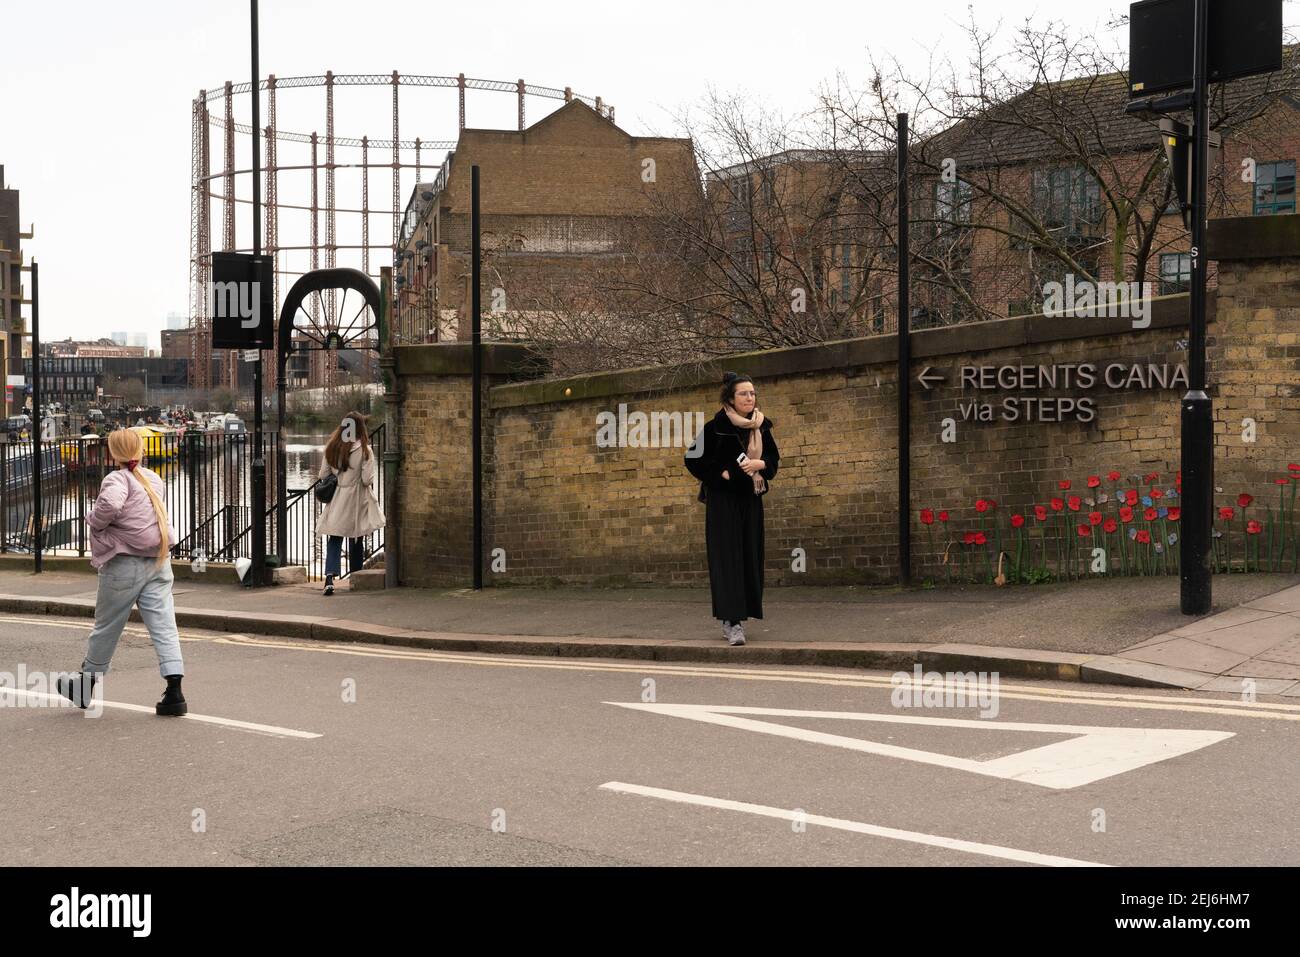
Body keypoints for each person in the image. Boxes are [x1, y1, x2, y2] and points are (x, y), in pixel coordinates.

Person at [57, 427, 186, 715]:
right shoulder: (153, 479)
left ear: (112, 453)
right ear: (140, 451)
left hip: (124, 563)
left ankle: (84, 686)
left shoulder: (115, 478)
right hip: (159, 561)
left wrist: (95, 520)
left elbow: (111, 505)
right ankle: (174, 692)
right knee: (165, 625)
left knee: (107, 626)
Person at [684, 372, 780, 646]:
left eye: (752, 393)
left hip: (751, 499)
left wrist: (760, 465)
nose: (749, 397)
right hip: (723, 503)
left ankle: (744, 613)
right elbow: (692, 459)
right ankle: (731, 622)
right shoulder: (716, 427)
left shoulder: (761, 426)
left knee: (749, 556)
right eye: (743, 393)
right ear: (730, 398)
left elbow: (773, 459)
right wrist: (722, 475)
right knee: (728, 559)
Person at [317, 411, 385, 596]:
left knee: (335, 537)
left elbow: (323, 475)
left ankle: (330, 578)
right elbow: (366, 479)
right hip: (356, 498)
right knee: (356, 538)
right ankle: (355, 577)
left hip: (338, 497)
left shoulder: (332, 447)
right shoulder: (364, 450)